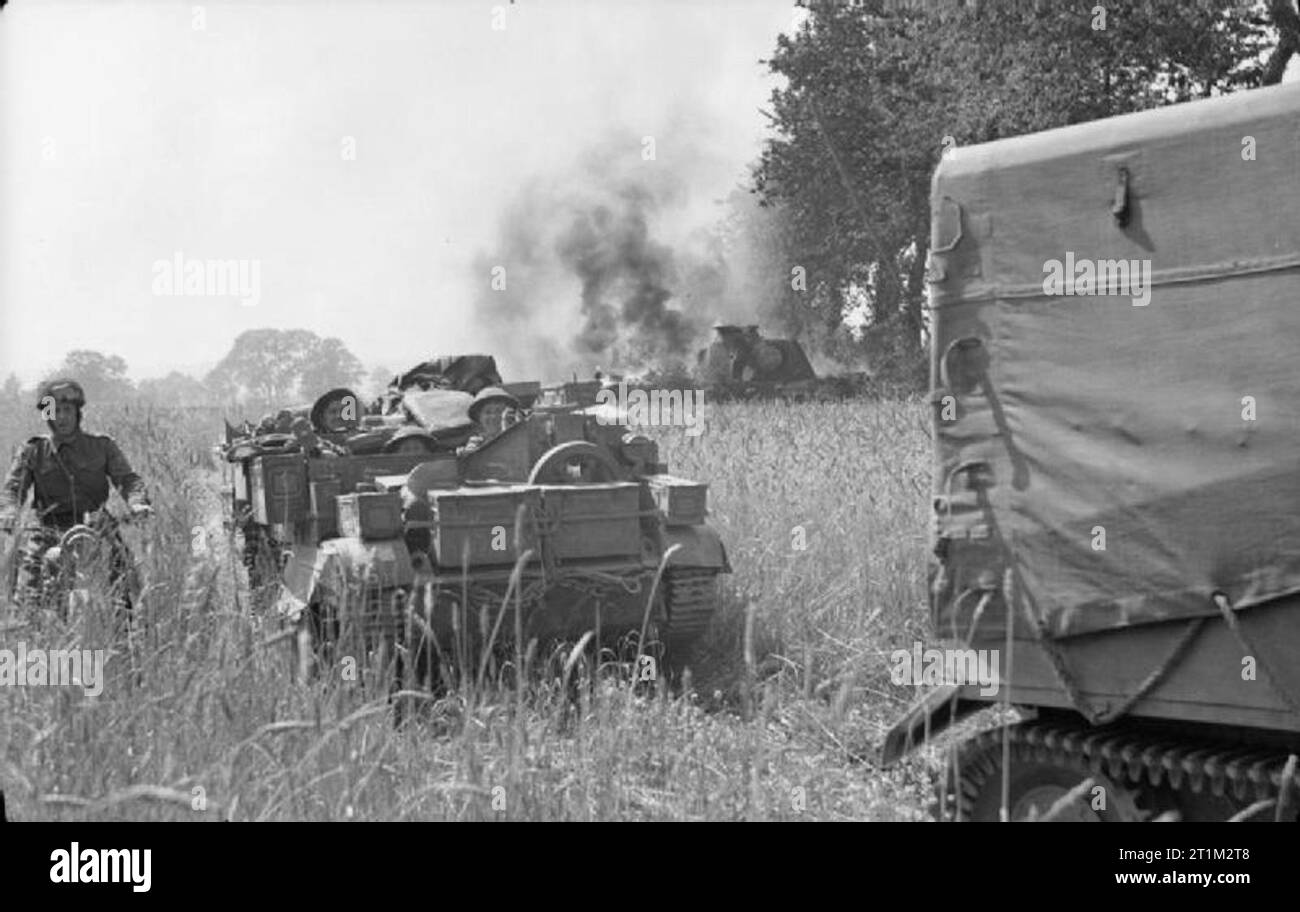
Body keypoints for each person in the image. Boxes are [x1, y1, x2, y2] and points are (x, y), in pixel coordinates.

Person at [0, 379, 152, 611]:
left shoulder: (102, 446)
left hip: (96, 527)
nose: (61, 417)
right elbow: (13, 488)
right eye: (55, 411)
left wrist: (138, 503)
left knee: (124, 586)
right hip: (47, 530)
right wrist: (9, 512)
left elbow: (128, 480)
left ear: (78, 412)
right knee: (30, 592)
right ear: (47, 415)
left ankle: (126, 636)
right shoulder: (33, 450)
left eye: (67, 410)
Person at [459, 387, 520, 453]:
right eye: (488, 412)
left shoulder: (520, 439)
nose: (493, 416)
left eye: (499, 411)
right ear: (479, 418)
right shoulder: (476, 443)